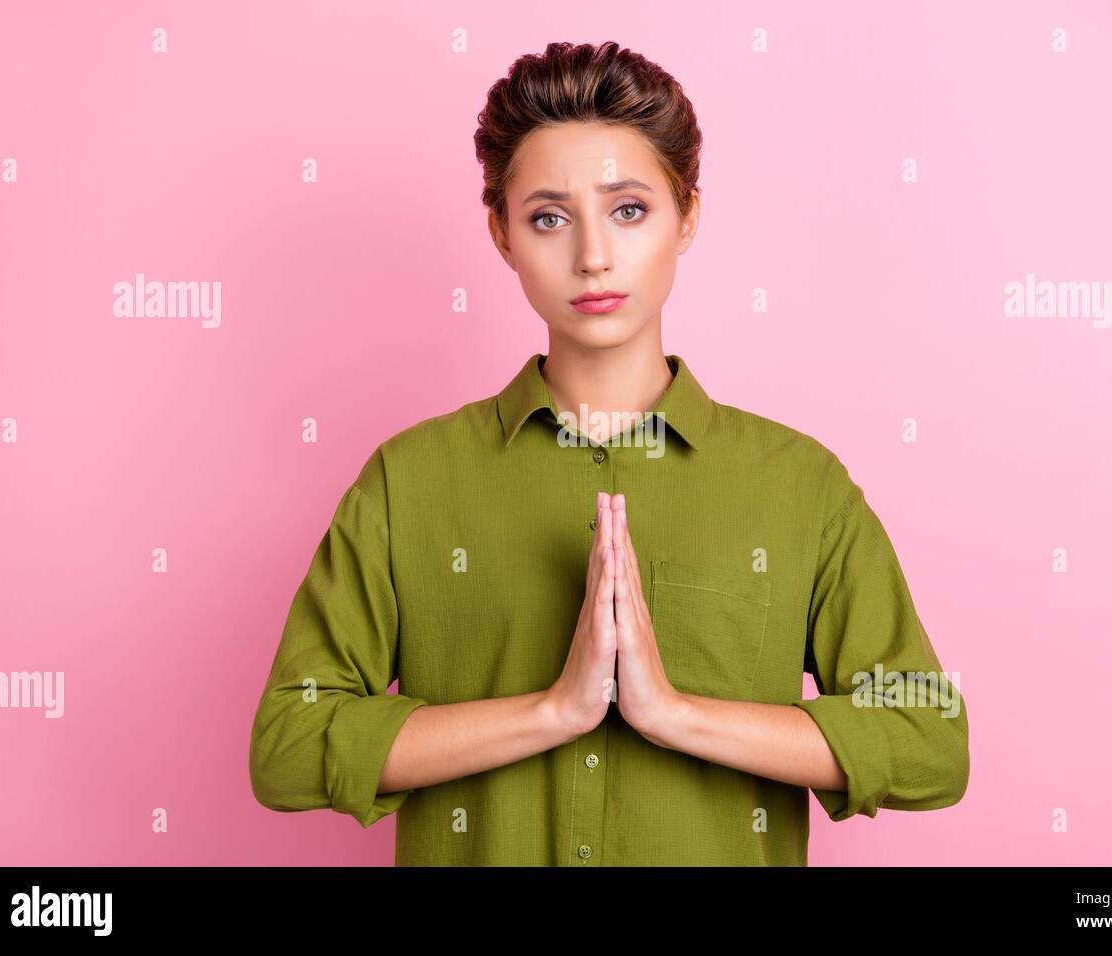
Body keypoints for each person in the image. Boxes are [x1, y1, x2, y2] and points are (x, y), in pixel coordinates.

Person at [249, 40, 969, 866]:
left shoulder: (800, 485)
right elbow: (289, 744)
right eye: (548, 217)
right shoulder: (408, 480)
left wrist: (671, 714)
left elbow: (928, 739)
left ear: (687, 215)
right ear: (502, 234)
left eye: (628, 209)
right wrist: (553, 710)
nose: (592, 255)